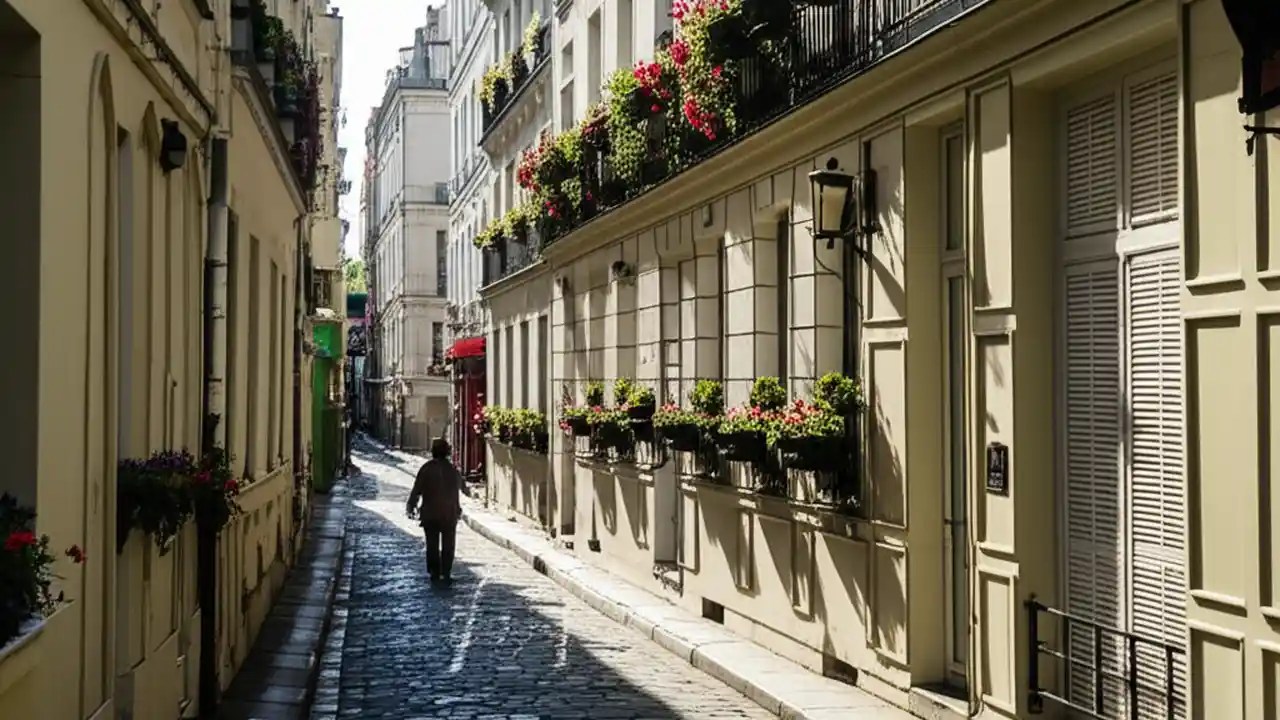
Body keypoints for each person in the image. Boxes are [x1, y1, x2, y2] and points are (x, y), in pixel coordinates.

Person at [406, 438, 468, 583]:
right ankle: (446, 571)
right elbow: (464, 487)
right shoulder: (452, 470)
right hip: (449, 513)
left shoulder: (426, 468)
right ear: (447, 452)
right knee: (448, 544)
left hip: (430, 513)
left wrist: (411, 505)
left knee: (432, 544)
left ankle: (434, 571)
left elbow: (417, 490)